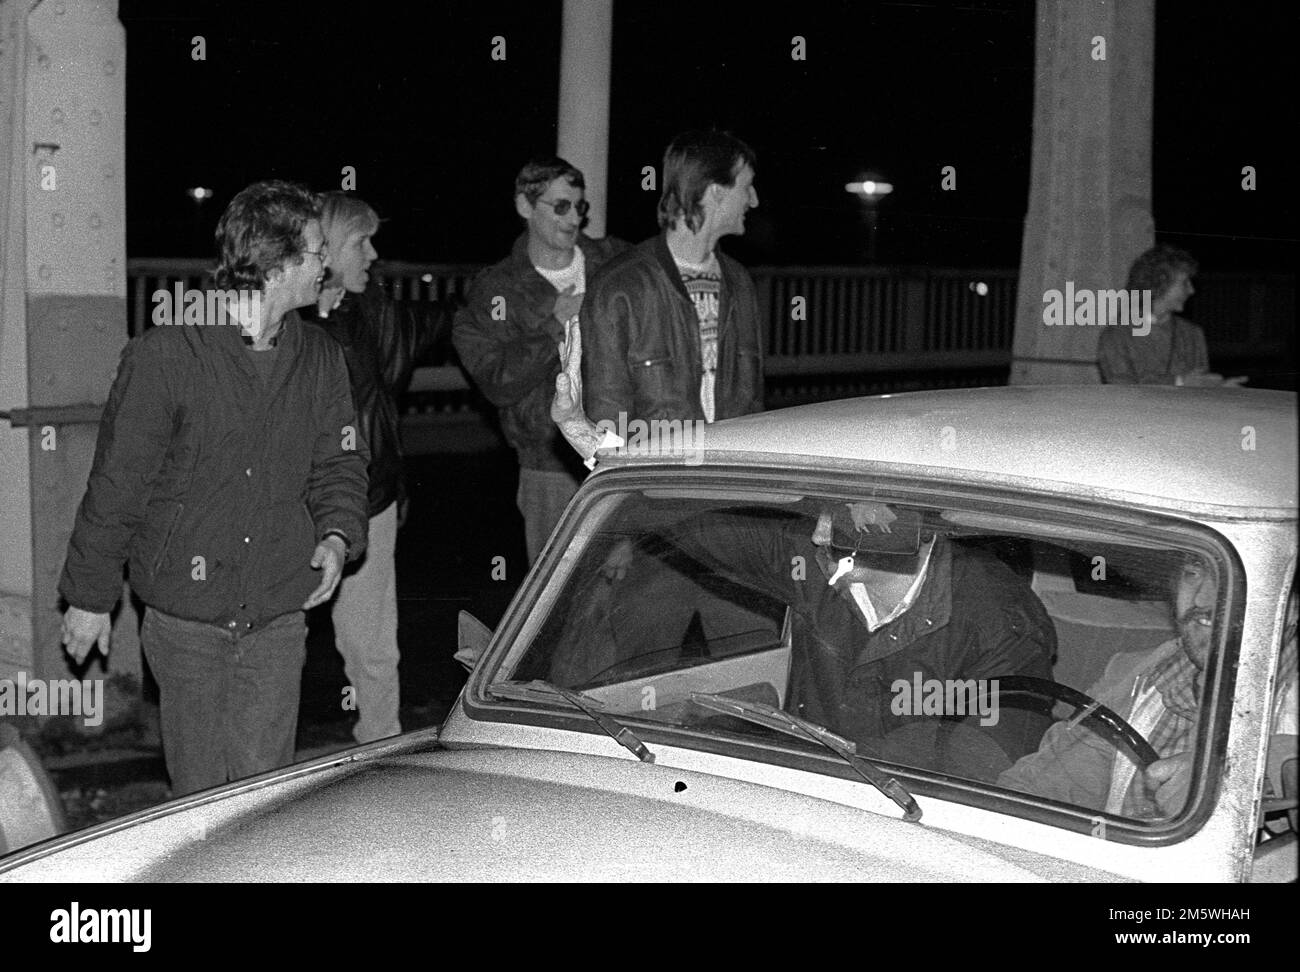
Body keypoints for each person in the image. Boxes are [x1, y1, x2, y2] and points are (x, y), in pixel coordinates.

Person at [550, 322, 1056, 770]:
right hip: (802, 794)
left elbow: (986, 768)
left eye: (838, 521)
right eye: (818, 514)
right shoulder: (813, 561)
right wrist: (596, 446)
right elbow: (690, 520)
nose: (816, 534)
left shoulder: (1001, 622)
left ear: (901, 521)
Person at [59, 181, 369, 796]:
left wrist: (337, 536)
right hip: (186, 621)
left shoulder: (322, 358)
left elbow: (341, 464)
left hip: (279, 613)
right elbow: (118, 484)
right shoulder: (168, 353)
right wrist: (91, 597)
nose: (325, 265)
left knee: (263, 799)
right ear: (276, 264)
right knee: (198, 801)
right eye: (314, 253)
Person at [303, 192, 454, 743]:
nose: (373, 254)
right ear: (321, 249)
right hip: (295, 512)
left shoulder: (373, 313)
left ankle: (382, 756)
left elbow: (444, 320)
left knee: (374, 650)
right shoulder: (280, 321)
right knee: (275, 647)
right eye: (359, 242)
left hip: (372, 502)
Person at [998, 560, 1297, 820]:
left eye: (1232, 578)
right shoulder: (1138, 676)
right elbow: (1045, 785)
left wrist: (1238, 777)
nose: (1202, 599)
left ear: (1293, 604)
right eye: (1192, 574)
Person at [453, 157, 628, 563]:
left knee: (627, 597)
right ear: (525, 207)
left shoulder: (614, 261)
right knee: (558, 602)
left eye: (579, 207)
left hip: (621, 449)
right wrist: (555, 324)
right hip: (550, 464)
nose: (574, 218)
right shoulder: (498, 289)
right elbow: (496, 379)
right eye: (561, 206)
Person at [581, 129, 764, 430]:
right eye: (747, 186)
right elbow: (608, 418)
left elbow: (754, 402)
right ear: (716, 191)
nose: (753, 200)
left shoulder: (739, 282)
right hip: (660, 475)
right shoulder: (620, 287)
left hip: (725, 471)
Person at [1098, 244, 1246, 386]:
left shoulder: (1192, 334)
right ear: (1160, 283)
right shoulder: (1116, 336)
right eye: (1185, 283)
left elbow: (1200, 387)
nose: (1191, 290)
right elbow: (1121, 388)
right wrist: (1179, 382)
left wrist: (1222, 389)